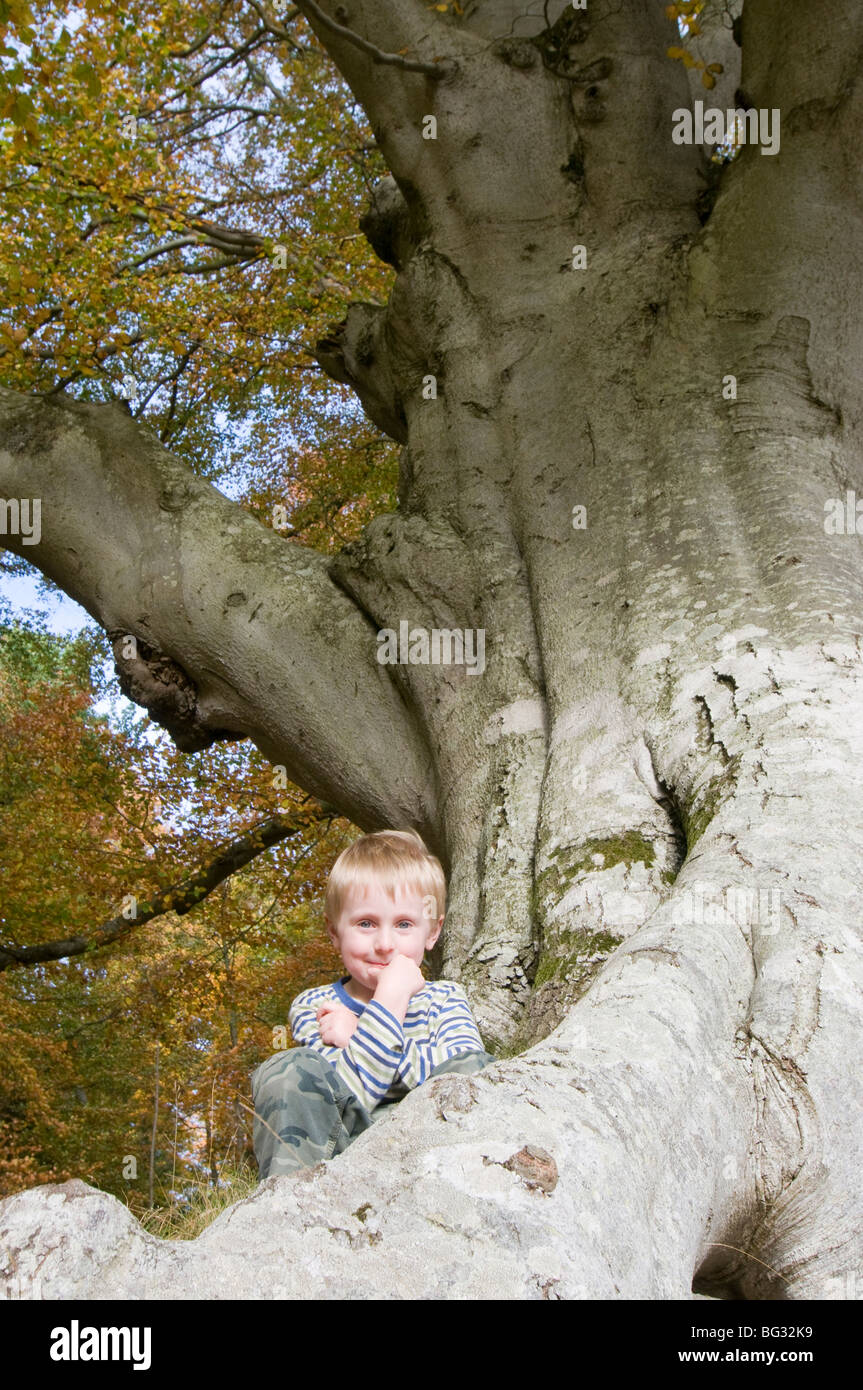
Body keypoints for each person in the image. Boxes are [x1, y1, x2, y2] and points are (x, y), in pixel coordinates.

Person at [251, 829, 496, 1180]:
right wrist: (391, 1002)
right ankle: (288, 1206)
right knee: (289, 1069)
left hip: (430, 1155)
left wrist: (357, 1034)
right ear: (335, 932)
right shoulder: (315, 1005)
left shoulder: (445, 999)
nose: (384, 943)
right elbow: (351, 1093)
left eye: (404, 924)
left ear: (432, 933)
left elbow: (468, 1087)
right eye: (366, 923)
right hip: (338, 1160)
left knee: (472, 1066)